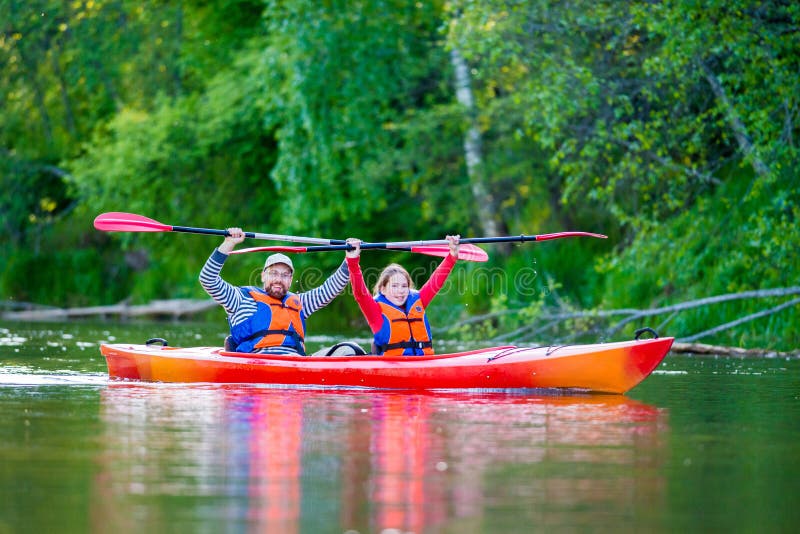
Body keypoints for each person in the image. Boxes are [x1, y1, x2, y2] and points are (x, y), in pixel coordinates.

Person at [199, 227, 351, 355]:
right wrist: (228, 244)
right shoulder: (240, 298)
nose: (279, 279)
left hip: (297, 366)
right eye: (274, 273)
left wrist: (349, 259)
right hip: (256, 364)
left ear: (291, 280)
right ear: (263, 275)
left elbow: (330, 289)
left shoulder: (300, 303)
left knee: (349, 349)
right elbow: (208, 279)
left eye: (285, 275)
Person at [345, 235, 461, 356]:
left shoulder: (418, 301)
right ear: (383, 289)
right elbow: (360, 294)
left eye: (404, 286)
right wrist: (353, 261)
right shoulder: (376, 312)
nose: (400, 291)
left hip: (425, 363)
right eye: (394, 286)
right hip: (393, 367)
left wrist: (452, 255)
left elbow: (436, 281)